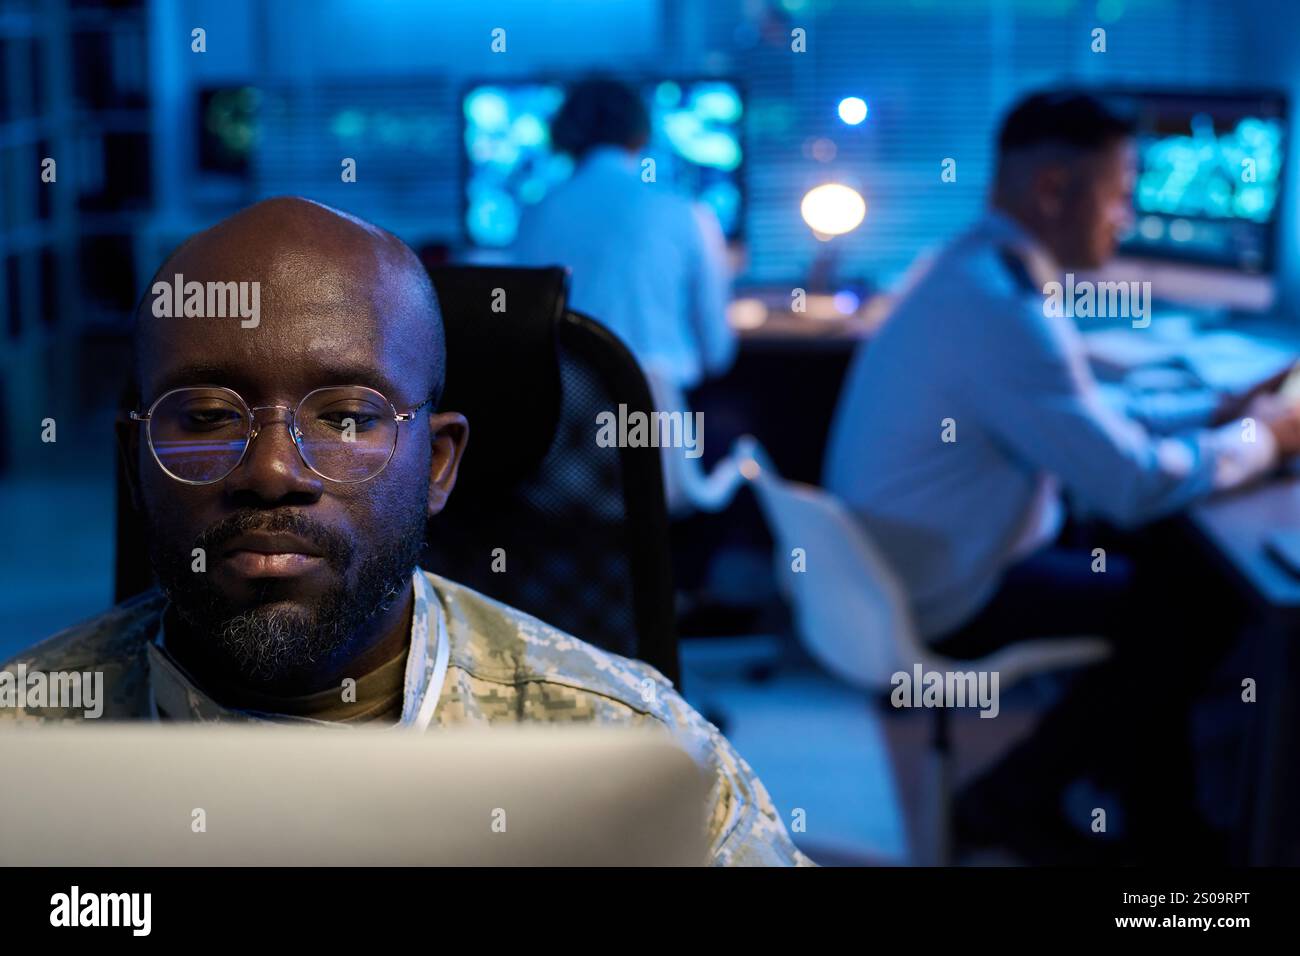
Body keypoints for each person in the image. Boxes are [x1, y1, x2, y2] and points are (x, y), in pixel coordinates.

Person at [0, 197, 811, 868]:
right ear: (132, 461)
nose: (275, 470)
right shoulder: (20, 757)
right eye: (209, 416)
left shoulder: (638, 760)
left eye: (350, 416)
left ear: (437, 466)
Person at [823, 90, 1300, 861]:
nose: (1128, 214)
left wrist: (1214, 412)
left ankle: (1114, 799)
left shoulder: (970, 268)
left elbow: (1075, 415)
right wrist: (1264, 437)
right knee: (1193, 605)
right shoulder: (1003, 308)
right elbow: (1131, 482)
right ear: (1053, 190)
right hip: (949, 590)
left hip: (898, 562)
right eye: (1120, 193)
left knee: (1169, 573)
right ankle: (1039, 801)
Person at [512, 78, 736, 390]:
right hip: (654, 416)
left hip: (562, 414)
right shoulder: (686, 214)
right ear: (641, 132)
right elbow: (717, 353)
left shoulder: (535, 215)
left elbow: (524, 331)